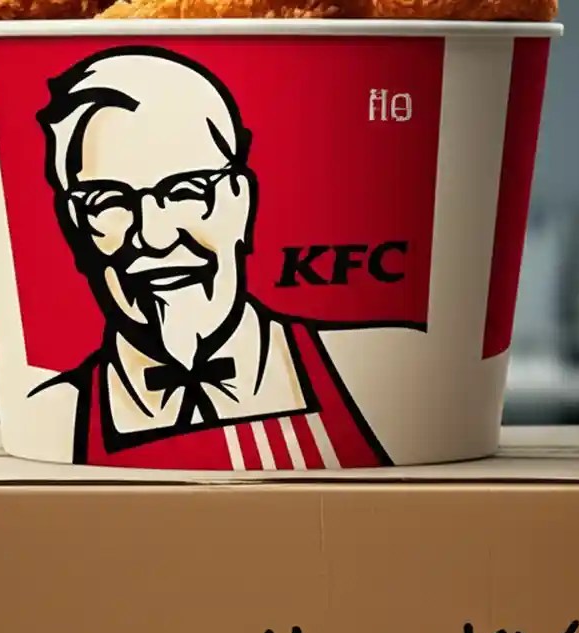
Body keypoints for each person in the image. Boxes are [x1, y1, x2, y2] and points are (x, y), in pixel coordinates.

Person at [27, 46, 398, 470]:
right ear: (75, 227)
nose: (155, 236)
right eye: (109, 201)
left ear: (241, 202)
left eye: (187, 191)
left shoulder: (375, 371)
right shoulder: (54, 415)